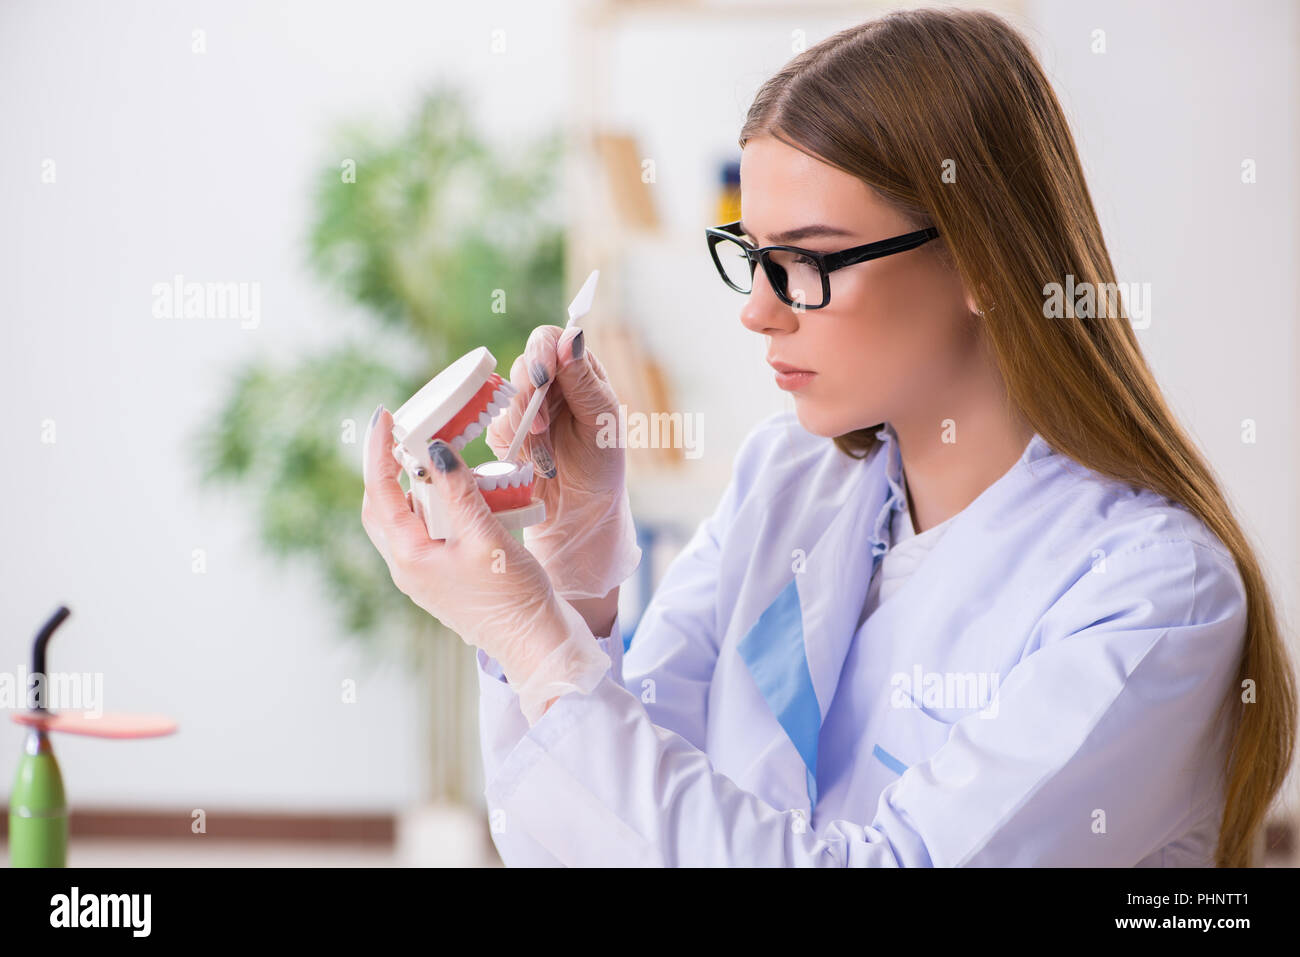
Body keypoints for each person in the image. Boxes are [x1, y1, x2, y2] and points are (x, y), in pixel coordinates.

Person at [361, 7, 1295, 866]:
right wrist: (572, 576)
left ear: (982, 258)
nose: (759, 313)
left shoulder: (1151, 595)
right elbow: (584, 834)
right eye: (755, 258)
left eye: (806, 261)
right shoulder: (789, 480)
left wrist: (533, 639)